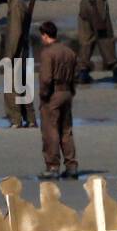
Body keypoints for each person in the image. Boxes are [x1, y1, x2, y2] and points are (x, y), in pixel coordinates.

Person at [37, 21, 78, 180]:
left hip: (53, 94)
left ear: (45, 36)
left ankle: (53, 166)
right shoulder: (69, 52)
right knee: (66, 130)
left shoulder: (47, 53)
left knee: (50, 131)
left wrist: (43, 95)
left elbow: (46, 79)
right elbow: (76, 73)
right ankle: (71, 166)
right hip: (67, 92)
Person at [0, 0, 35, 128]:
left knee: (12, 86)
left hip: (16, 52)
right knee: (21, 85)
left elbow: (16, 32)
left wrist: (9, 56)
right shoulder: (17, 3)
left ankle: (16, 120)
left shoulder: (16, 5)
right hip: (21, 51)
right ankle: (30, 119)